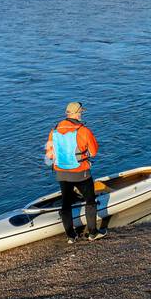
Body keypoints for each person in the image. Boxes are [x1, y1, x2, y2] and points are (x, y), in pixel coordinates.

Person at [44, 102, 106, 243]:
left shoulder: (53, 131)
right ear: (77, 113)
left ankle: (71, 236)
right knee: (90, 201)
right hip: (81, 172)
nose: (81, 114)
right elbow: (94, 152)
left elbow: (49, 155)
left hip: (61, 173)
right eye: (81, 112)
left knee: (66, 203)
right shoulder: (84, 131)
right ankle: (92, 233)